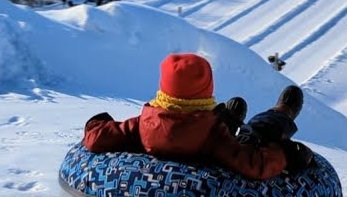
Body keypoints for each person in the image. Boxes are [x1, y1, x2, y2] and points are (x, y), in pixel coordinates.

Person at [83, 53, 313, 180]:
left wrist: (97, 122)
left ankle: (231, 117)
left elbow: (97, 138)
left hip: (197, 128)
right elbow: (254, 164)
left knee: (221, 121)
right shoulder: (212, 135)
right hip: (218, 146)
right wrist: (285, 154)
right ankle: (281, 113)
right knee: (257, 132)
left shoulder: (144, 123)